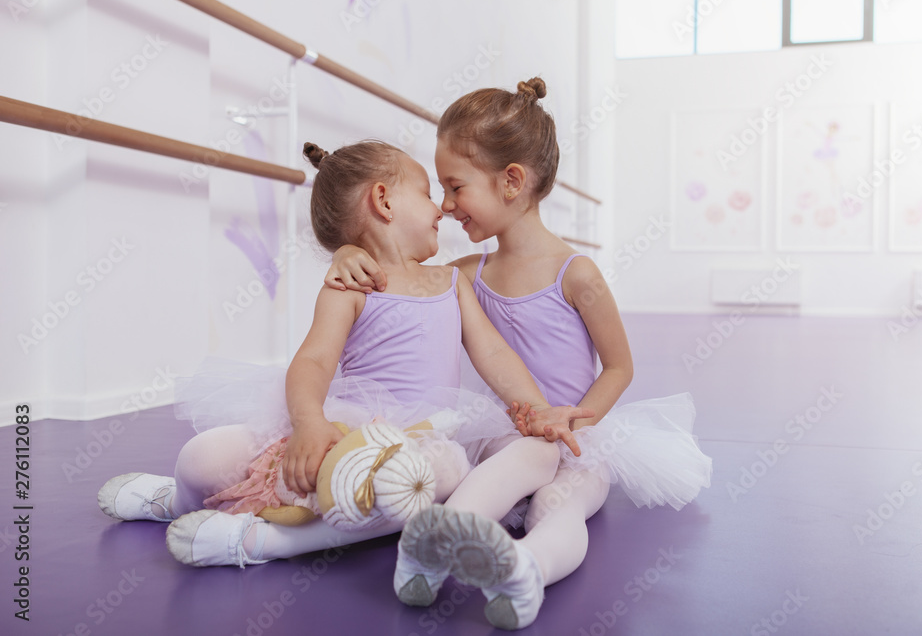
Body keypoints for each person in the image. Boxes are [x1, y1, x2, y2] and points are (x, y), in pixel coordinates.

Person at [323, 78, 713, 630]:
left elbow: (620, 367)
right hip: (500, 437)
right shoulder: (461, 275)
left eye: (456, 188)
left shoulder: (576, 275)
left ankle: (528, 569)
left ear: (511, 181)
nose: (446, 205)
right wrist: (344, 250)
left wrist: (573, 417)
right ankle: (440, 539)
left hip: (577, 440)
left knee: (561, 504)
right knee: (461, 479)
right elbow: (395, 276)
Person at [97, 139, 592, 569]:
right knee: (203, 456)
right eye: (425, 193)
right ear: (384, 200)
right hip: (348, 425)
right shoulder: (349, 284)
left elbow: (494, 353)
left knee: (435, 476)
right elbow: (313, 361)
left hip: (422, 438)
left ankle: (270, 541)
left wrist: (536, 408)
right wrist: (310, 423)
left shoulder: (451, 282)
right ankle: (175, 500)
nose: (440, 208)